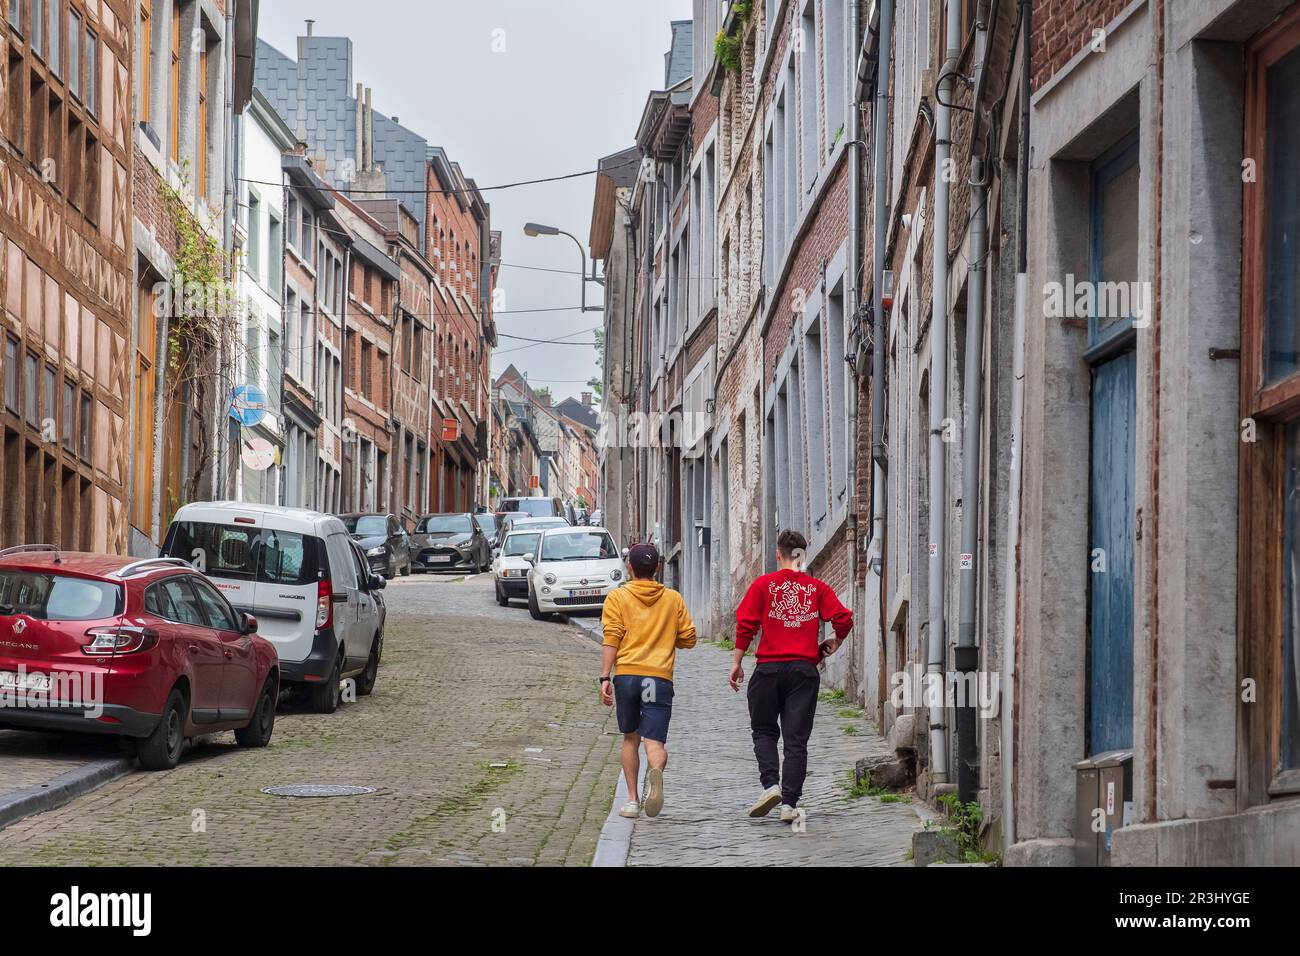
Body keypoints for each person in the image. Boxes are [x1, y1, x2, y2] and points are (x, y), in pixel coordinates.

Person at [728, 529, 853, 822]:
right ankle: (789, 805)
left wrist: (736, 662)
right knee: (796, 739)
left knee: (764, 730)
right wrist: (835, 641)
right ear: (803, 556)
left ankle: (771, 785)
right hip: (803, 670)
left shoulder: (763, 585)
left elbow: (745, 625)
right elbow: (843, 618)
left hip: (768, 669)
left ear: (778, 554)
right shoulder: (817, 588)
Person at [599, 543, 697, 819]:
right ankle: (655, 772)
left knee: (630, 738)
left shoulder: (618, 598)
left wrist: (605, 676)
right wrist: (667, 636)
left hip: (628, 676)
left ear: (630, 568)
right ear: (657, 568)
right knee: (654, 742)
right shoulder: (673, 599)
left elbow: (612, 637)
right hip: (658, 678)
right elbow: (689, 637)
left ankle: (631, 801)